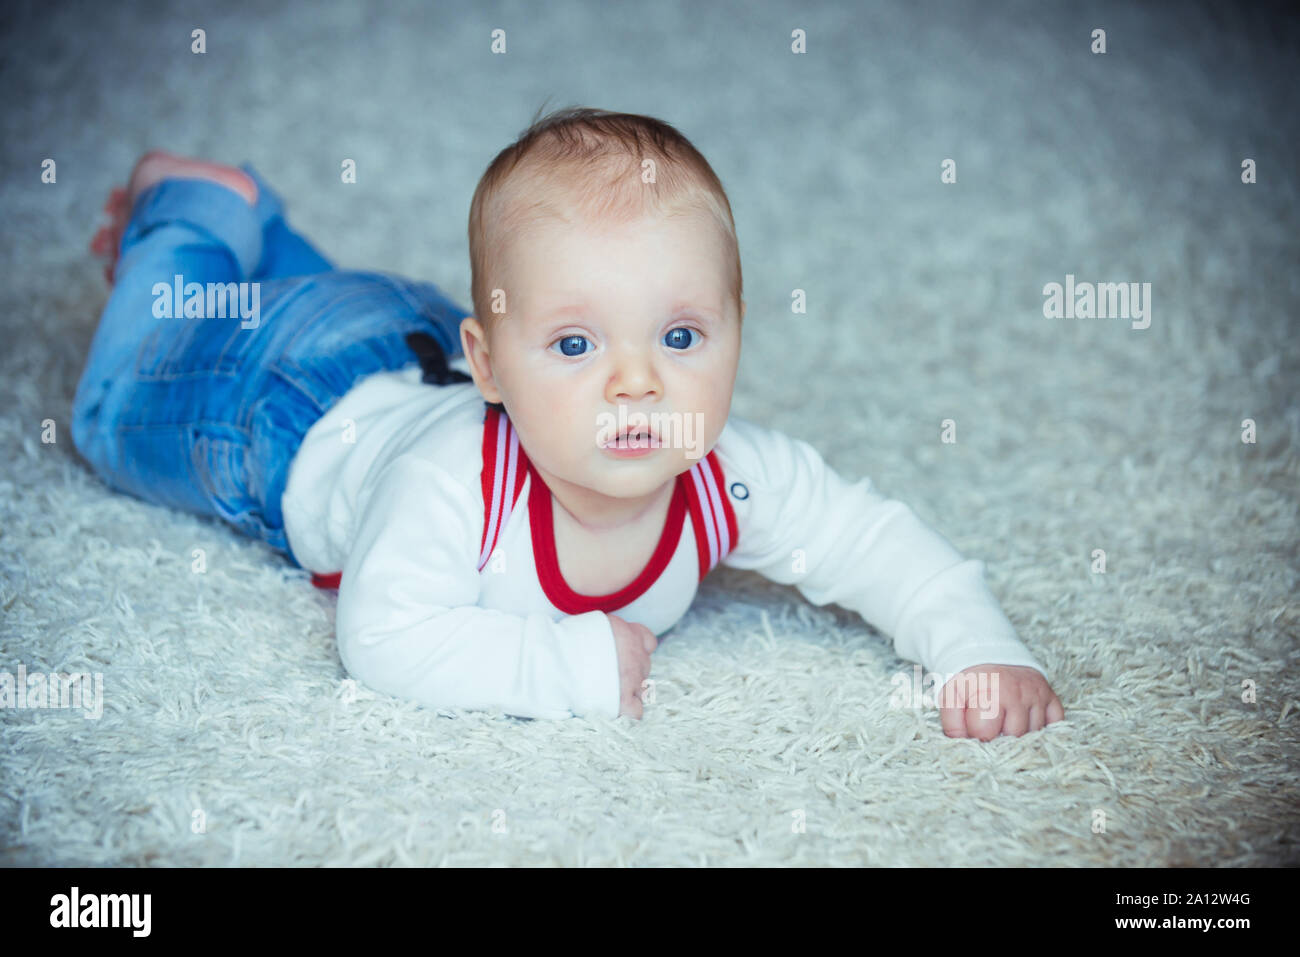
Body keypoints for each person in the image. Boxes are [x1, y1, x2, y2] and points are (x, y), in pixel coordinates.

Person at [76, 107, 1065, 735]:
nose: (636, 384)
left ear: (737, 333)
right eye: (579, 347)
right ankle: (196, 212)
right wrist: (566, 666)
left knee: (341, 295)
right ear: (495, 367)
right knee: (118, 405)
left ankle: (265, 234)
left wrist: (979, 647)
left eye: (680, 338)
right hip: (290, 400)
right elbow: (380, 634)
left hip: (415, 335)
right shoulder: (458, 483)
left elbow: (867, 537)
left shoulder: (728, 472)